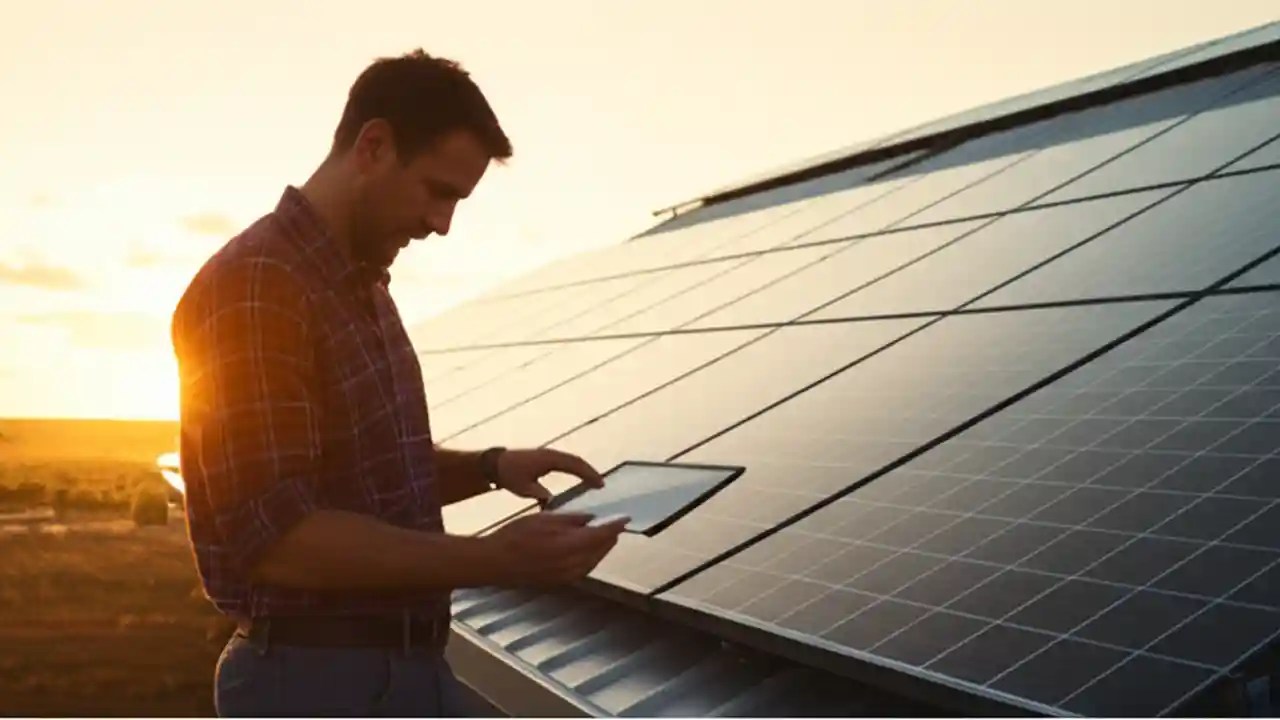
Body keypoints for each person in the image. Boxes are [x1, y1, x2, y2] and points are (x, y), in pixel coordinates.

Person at [170, 49, 627, 717]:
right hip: (319, 685)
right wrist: (497, 560)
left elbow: (367, 479)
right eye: (439, 191)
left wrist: (493, 468)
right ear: (374, 147)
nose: (442, 224)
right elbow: (281, 540)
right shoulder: (258, 286)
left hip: (396, 674)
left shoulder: (363, 288)